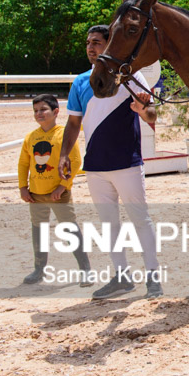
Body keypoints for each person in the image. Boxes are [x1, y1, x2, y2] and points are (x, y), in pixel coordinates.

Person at [58, 25, 163, 299]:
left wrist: (144, 109)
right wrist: (63, 155)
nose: (91, 48)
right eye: (88, 43)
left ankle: (153, 277)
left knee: (141, 220)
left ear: (109, 44)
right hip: (95, 167)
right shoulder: (81, 82)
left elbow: (151, 116)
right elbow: (72, 123)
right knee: (109, 225)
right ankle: (122, 277)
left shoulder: (130, 75)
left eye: (96, 42)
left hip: (127, 162)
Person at [18, 93, 91, 286]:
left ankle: (85, 270)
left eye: (43, 109)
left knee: (69, 230)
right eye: (35, 111)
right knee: (38, 230)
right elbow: (24, 163)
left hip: (59, 193)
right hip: (36, 193)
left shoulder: (64, 134)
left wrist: (62, 186)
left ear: (55, 111)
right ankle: (39, 269)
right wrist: (23, 188)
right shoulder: (31, 137)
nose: (39, 114)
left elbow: (75, 162)